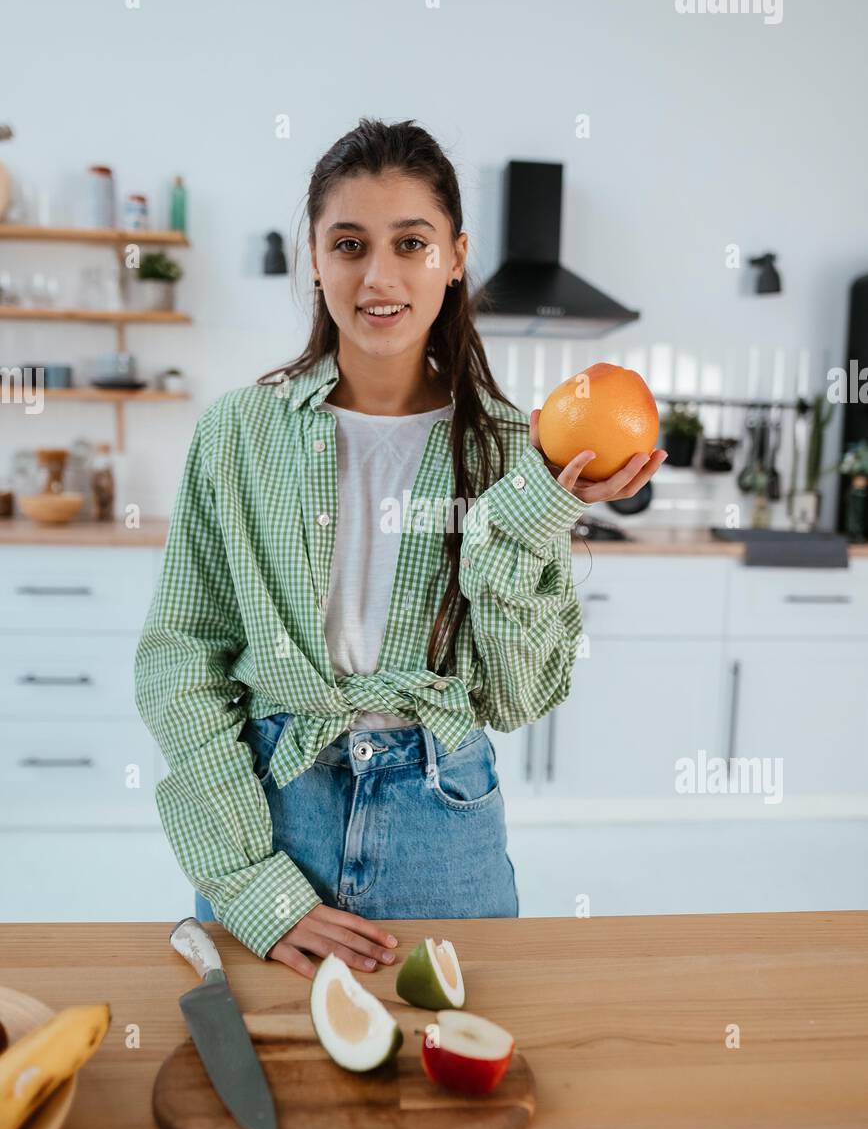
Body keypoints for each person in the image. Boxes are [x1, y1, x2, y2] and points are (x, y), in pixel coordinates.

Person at [134, 117, 666, 981]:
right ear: (314, 256)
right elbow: (179, 661)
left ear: (455, 257)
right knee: (261, 1079)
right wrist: (251, 880)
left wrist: (533, 515)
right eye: (348, 244)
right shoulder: (237, 433)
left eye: (409, 243)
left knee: (457, 1077)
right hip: (274, 815)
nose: (378, 276)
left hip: (445, 823)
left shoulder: (513, 450)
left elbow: (515, 696)